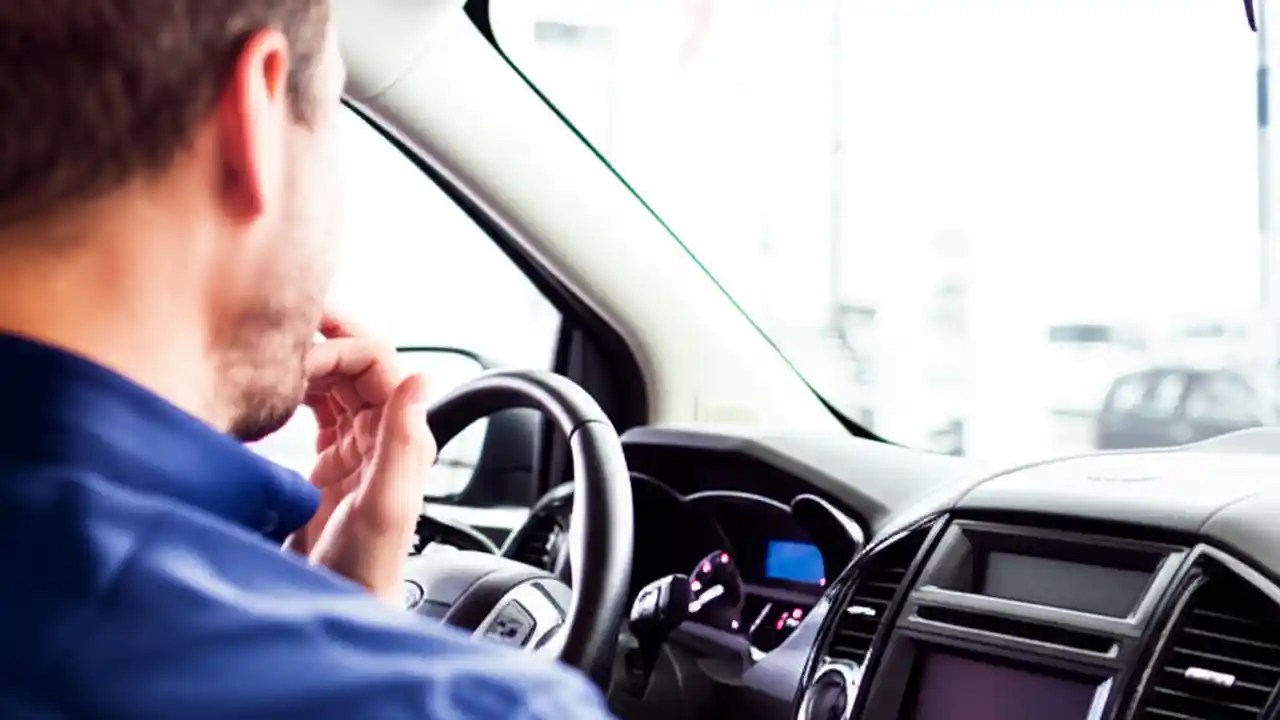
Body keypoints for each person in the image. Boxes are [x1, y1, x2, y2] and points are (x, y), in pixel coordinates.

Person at [0, 1, 614, 718]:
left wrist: (328, 606)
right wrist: (362, 651)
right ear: (254, 120)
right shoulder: (477, 706)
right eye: (333, 119)